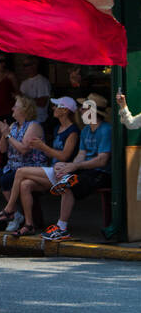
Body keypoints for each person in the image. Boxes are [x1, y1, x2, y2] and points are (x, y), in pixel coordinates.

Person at [0, 97, 79, 236]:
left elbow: (64, 156)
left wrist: (43, 147)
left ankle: (9, 209)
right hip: (53, 170)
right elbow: (2, 150)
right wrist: (4, 134)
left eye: (56, 106)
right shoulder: (57, 128)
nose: (52, 108)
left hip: (63, 173)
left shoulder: (72, 131)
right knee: (25, 184)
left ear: (65, 110)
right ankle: (29, 224)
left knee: (20, 172)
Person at [42, 93, 112, 240]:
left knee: (68, 184)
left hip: (101, 173)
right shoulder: (86, 130)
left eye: (84, 108)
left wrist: (75, 166)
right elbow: (81, 154)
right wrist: (67, 166)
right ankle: (61, 227)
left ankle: (62, 228)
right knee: (65, 178)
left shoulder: (106, 129)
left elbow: (102, 160)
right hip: (86, 171)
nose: (80, 111)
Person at [0, 96, 46, 230]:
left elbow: (23, 149)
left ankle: (14, 215)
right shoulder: (13, 126)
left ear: (24, 109)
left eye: (15, 106)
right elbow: (2, 149)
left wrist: (8, 135)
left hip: (29, 167)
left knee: (6, 180)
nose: (12, 109)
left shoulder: (33, 126)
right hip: (12, 166)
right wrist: (4, 134)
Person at [18, 56, 52, 124]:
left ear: (35, 65)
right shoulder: (23, 83)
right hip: (27, 120)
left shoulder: (42, 81)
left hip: (39, 120)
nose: (24, 68)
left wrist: (24, 98)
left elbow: (42, 103)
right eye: (24, 65)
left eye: (27, 65)